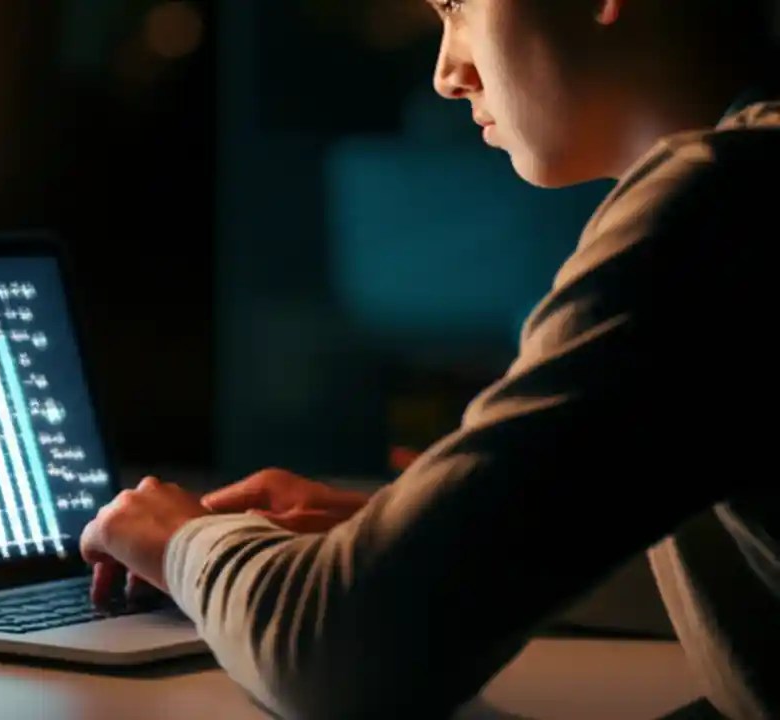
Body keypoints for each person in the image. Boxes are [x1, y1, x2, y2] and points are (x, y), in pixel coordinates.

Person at [80, 0, 780, 717]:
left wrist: (186, 542)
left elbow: (337, 656)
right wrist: (434, 536)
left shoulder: (724, 203)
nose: (449, 72)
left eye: (457, 6)